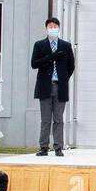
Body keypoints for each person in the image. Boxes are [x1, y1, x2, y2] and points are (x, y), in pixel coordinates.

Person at [31, 16, 74, 157]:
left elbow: (71, 66)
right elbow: (34, 63)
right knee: (45, 118)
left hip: (59, 86)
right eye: (50, 26)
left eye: (55, 27)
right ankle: (43, 146)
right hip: (44, 85)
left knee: (58, 118)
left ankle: (58, 146)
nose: (53, 29)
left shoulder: (66, 46)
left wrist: (63, 78)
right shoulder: (39, 45)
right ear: (46, 28)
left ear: (59, 28)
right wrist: (51, 57)